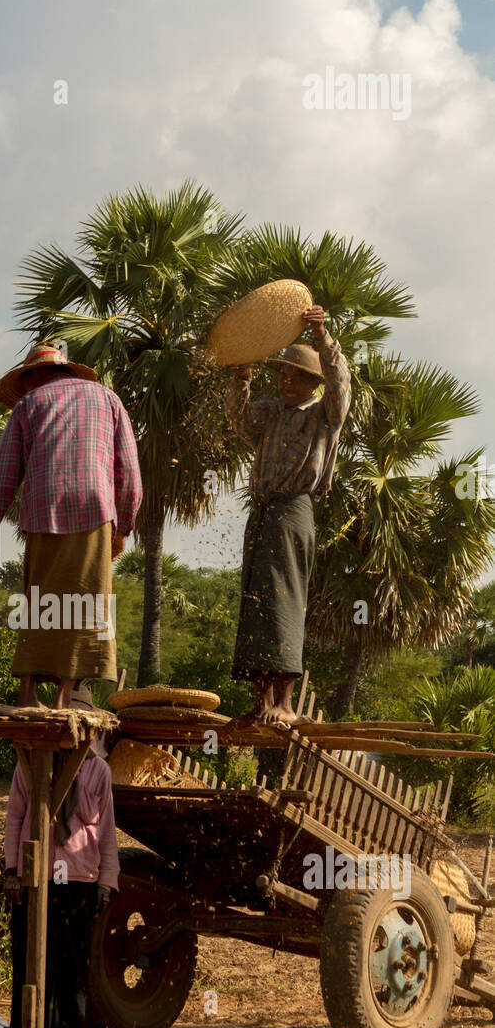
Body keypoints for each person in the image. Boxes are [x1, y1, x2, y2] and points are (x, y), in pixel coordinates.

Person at [0, 343, 143, 709]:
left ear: (35, 376)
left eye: (25, 384)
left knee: (43, 602)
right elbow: (129, 474)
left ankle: (27, 693)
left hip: (45, 508)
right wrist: (123, 528)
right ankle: (62, 698)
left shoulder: (28, 405)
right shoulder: (107, 398)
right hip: (94, 508)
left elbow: (3, 475)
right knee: (83, 601)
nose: (23, 392)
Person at [225, 306, 352, 727]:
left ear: (314, 382)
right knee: (257, 603)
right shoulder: (272, 413)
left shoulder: (325, 415)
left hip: (293, 513)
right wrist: (241, 377)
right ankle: (261, 702)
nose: (286, 381)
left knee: (285, 603)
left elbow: (341, 385)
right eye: (282, 375)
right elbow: (237, 420)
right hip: (262, 514)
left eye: (295, 376)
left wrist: (321, 334)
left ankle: (285, 703)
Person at [4, 690, 119, 1028]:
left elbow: (106, 831)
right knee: (29, 956)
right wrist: (11, 871)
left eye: (81, 726)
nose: (74, 731)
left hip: (79, 878)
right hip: (34, 872)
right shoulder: (32, 761)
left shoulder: (98, 770)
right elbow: (15, 818)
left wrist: (106, 881)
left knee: (72, 960)